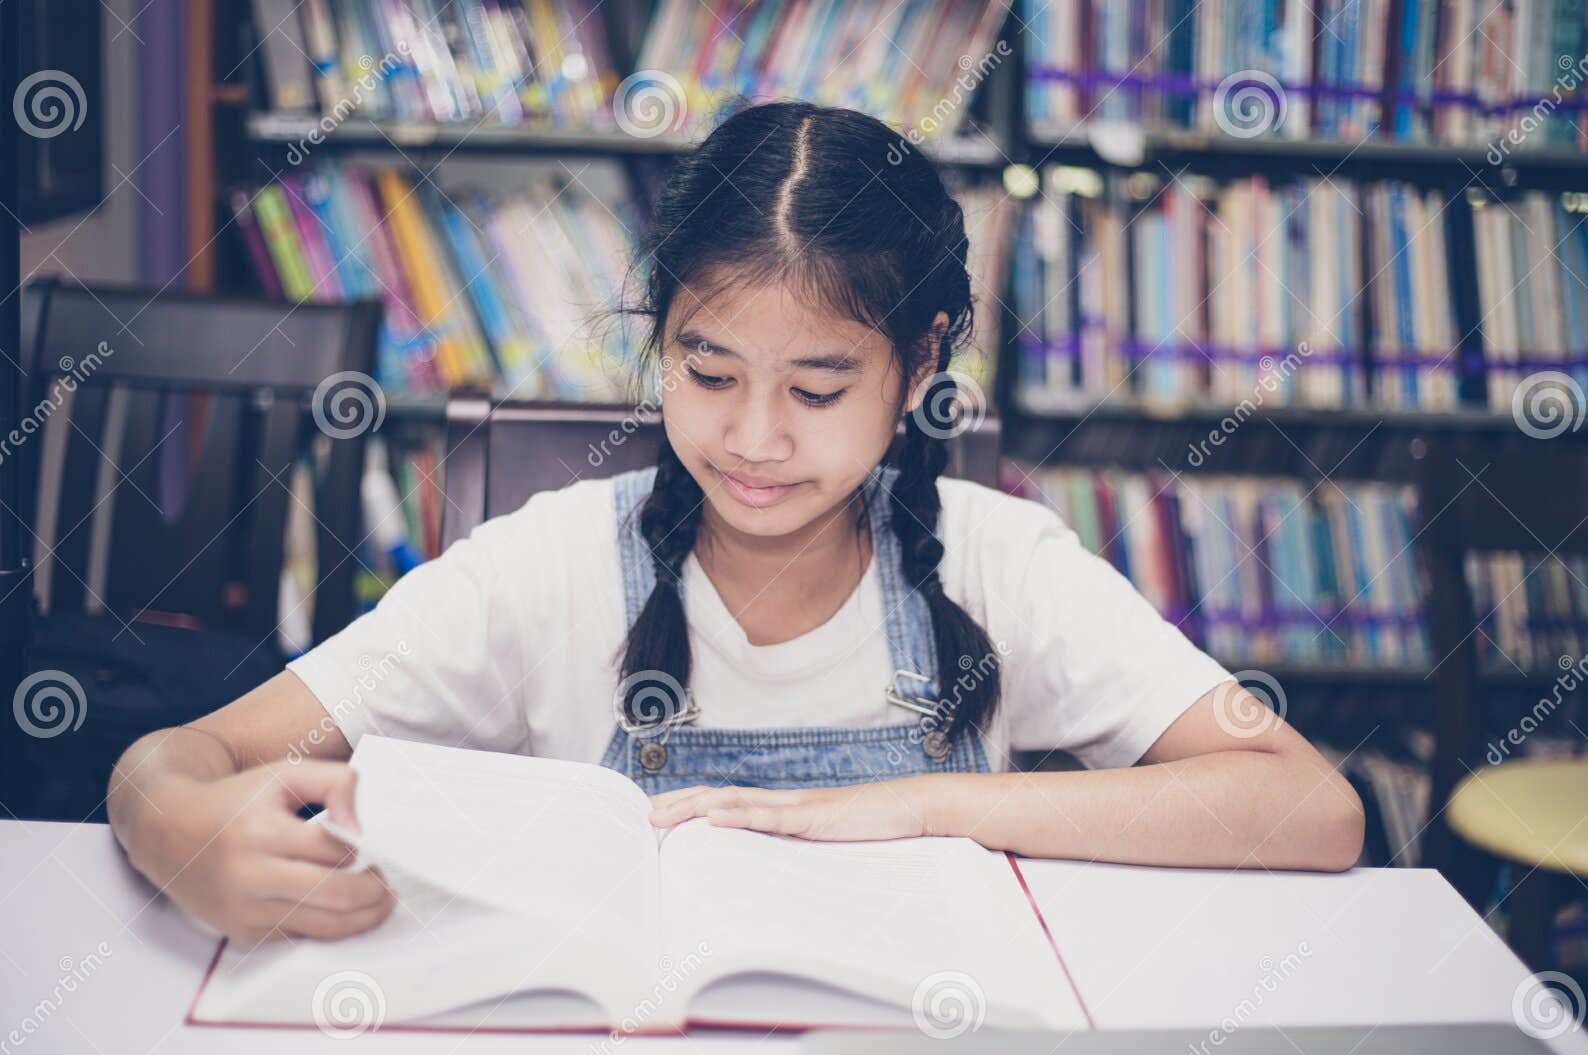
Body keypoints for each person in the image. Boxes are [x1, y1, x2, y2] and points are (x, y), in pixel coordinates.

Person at [107, 102, 1363, 945]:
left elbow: (1308, 806)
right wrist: (180, 829)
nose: (755, 439)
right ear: (658, 346)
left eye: (816, 390)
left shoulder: (997, 558)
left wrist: (929, 803)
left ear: (918, 362)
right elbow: (185, 756)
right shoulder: (546, 566)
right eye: (707, 375)